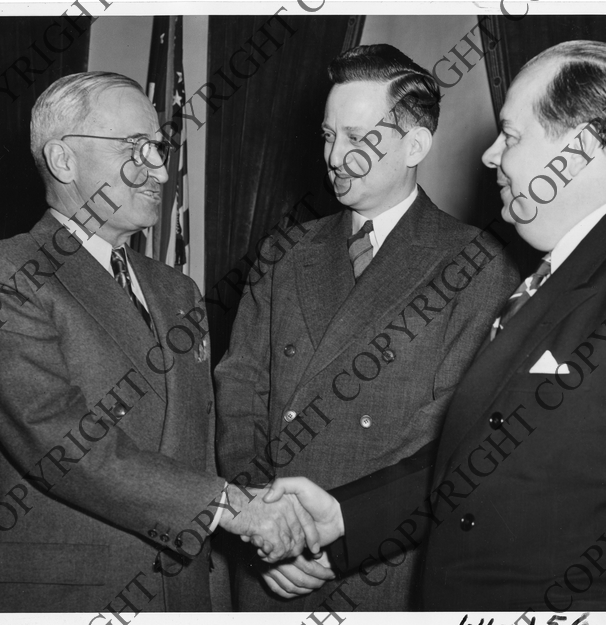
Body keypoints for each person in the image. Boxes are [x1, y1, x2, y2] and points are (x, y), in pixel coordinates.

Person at [265, 40, 606, 611]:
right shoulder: (564, 271)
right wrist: (347, 515)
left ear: (575, 150)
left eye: (512, 135)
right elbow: (488, 456)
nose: (489, 155)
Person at [0, 71, 317, 613]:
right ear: (63, 160)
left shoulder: (177, 290)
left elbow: (198, 447)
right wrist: (233, 510)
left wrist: (259, 510)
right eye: (137, 148)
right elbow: (63, 444)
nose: (162, 169)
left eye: (160, 148)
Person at [214, 44, 519, 611]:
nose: (334, 155)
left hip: (377, 572)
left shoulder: (477, 266)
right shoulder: (285, 252)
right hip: (268, 569)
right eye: (329, 136)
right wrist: (260, 519)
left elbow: (445, 439)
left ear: (415, 144)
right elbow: (240, 391)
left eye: (357, 138)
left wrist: (339, 538)